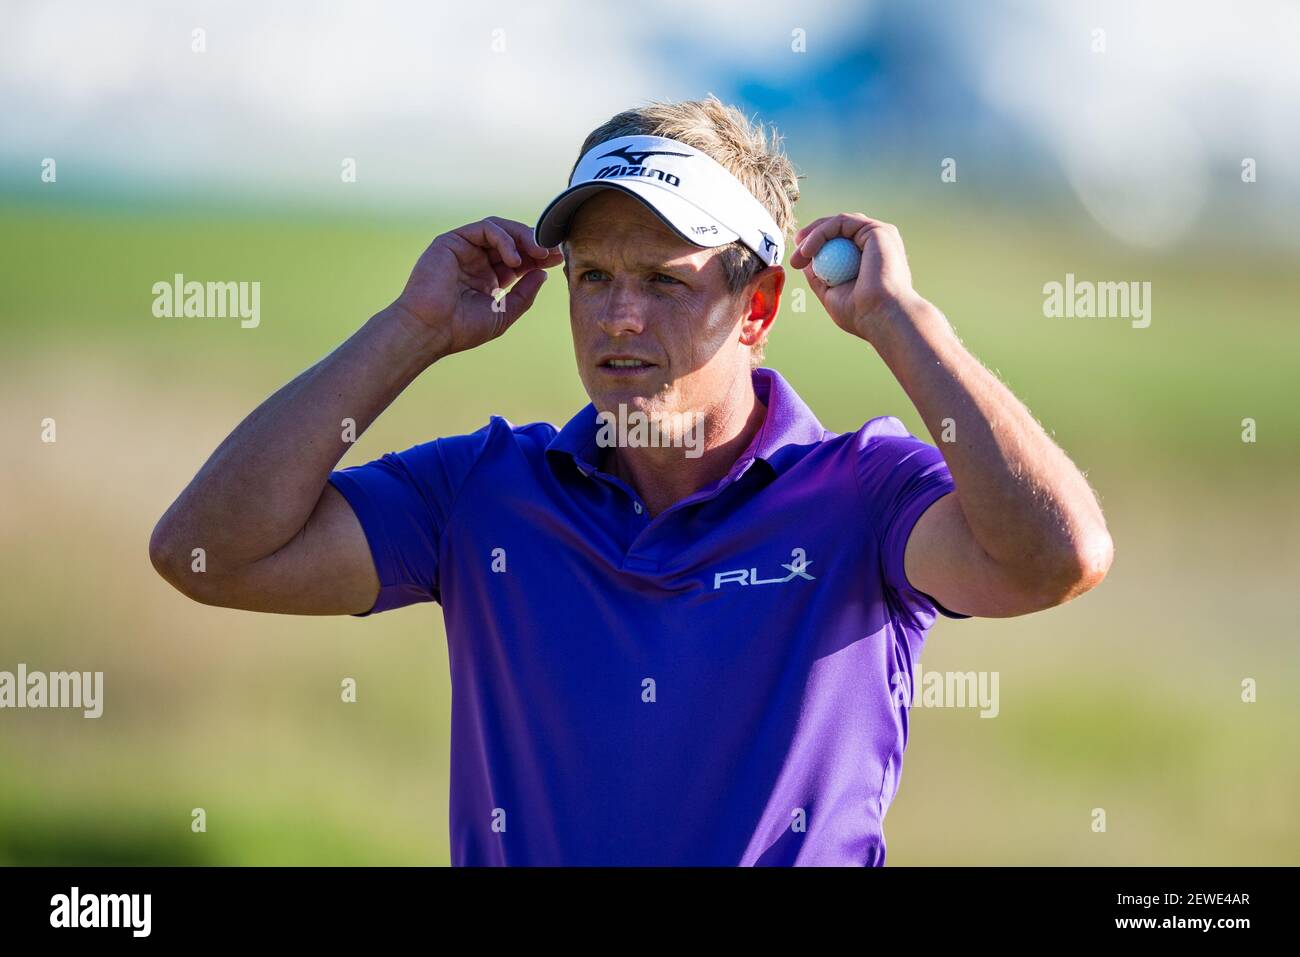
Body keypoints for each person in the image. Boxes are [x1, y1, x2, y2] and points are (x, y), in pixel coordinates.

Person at [150, 95, 1113, 865]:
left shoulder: (863, 494)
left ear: (757, 305)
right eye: (593, 276)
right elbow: (208, 554)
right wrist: (413, 329)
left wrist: (904, 323)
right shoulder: (485, 490)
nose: (617, 317)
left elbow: (1054, 558)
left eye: (663, 281)